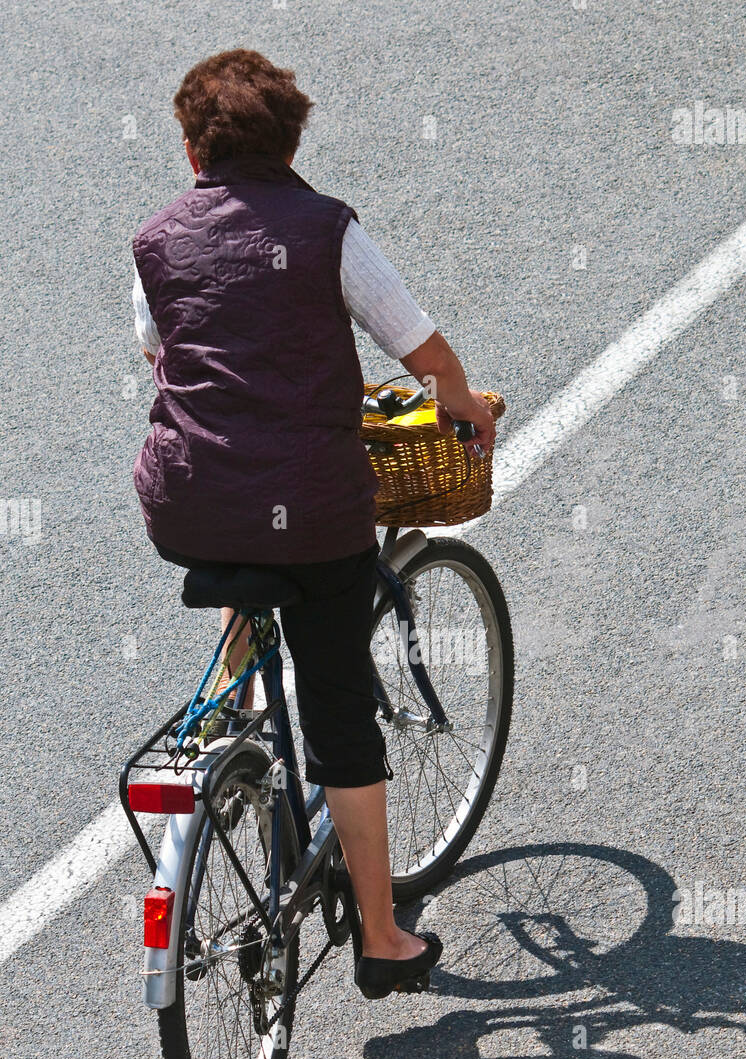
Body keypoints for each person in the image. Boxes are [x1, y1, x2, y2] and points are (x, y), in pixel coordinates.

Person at [131, 49, 495, 999]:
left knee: (242, 555)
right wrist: (463, 408)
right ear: (293, 138)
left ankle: (241, 738)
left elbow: (162, 350)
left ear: (189, 145)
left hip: (189, 504)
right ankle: (383, 937)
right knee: (338, 705)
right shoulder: (325, 230)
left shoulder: (156, 240)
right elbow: (421, 350)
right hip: (316, 513)